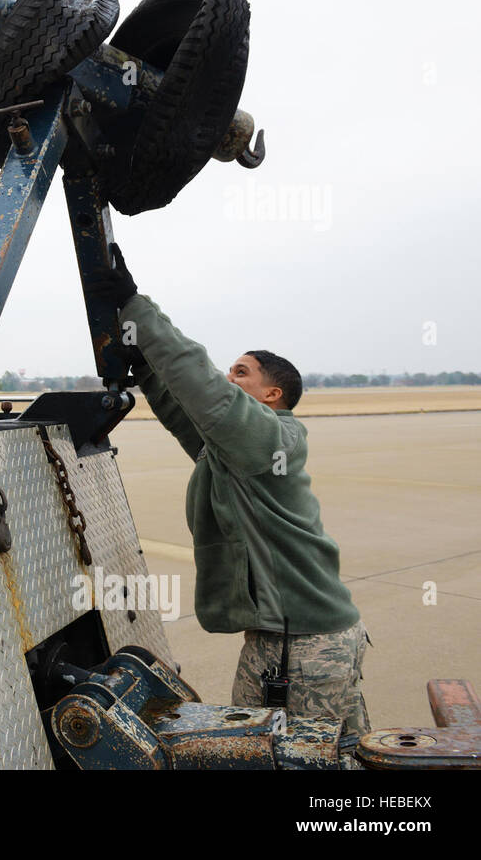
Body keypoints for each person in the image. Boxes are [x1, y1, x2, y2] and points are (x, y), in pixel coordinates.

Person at [87, 244, 370, 740]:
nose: (227, 378)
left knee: (270, 754)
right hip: (284, 638)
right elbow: (185, 411)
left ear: (271, 395)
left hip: (304, 646)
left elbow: (206, 395)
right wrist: (145, 363)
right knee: (321, 752)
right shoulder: (232, 452)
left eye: (241, 373)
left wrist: (138, 308)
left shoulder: (274, 439)